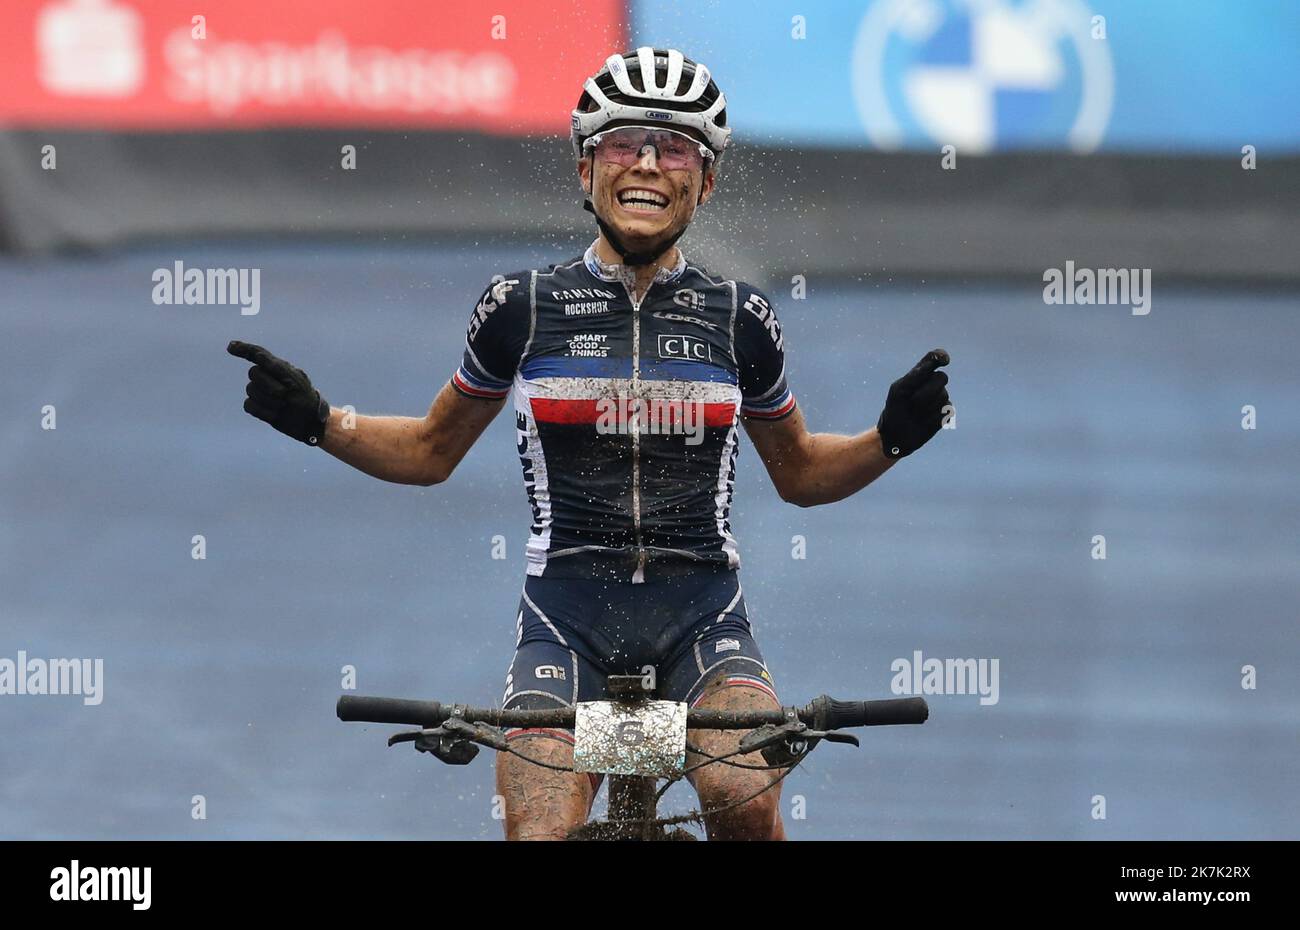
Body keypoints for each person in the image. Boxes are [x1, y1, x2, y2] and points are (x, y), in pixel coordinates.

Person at [227, 47, 951, 840]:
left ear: (704, 182)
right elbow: (431, 451)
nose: (645, 163)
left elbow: (803, 473)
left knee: (742, 798)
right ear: (584, 169)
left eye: (673, 147)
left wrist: (891, 439)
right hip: (564, 624)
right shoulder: (521, 307)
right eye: (621, 144)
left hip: (704, 621)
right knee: (538, 829)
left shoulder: (741, 317)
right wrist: (320, 420)